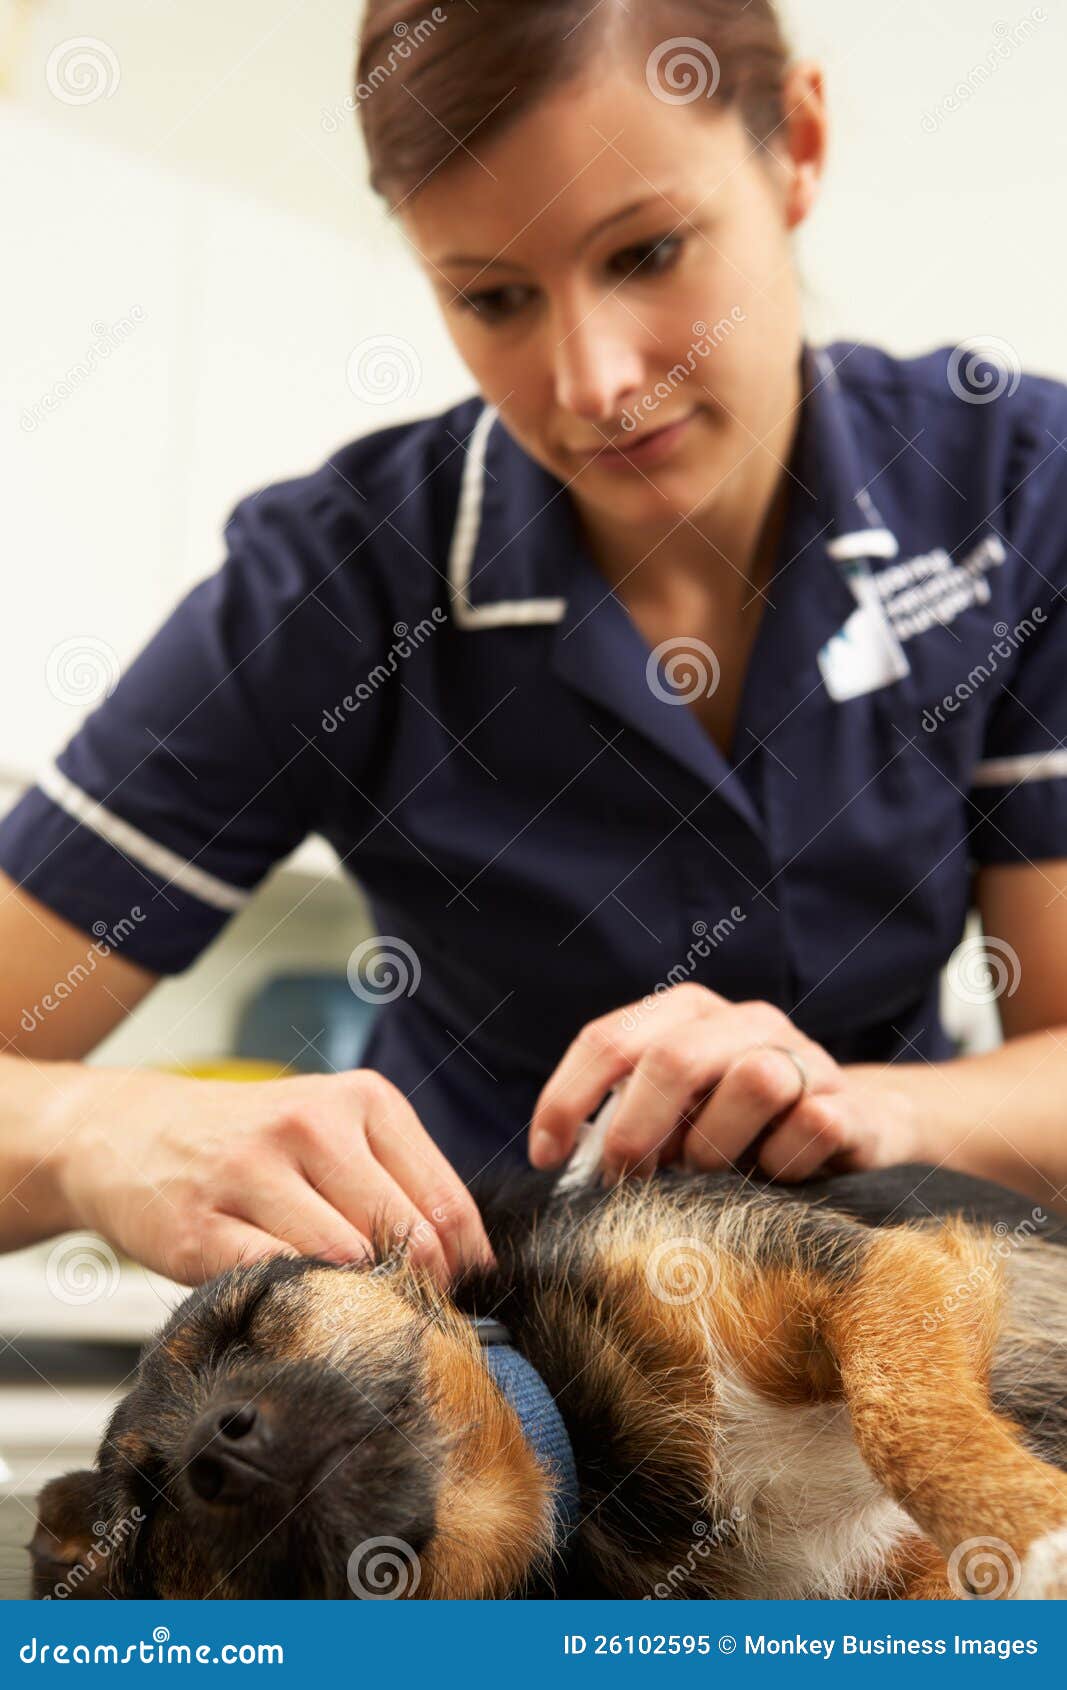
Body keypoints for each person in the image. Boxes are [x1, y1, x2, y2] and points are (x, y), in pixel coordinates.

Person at [3, 0, 1067, 1288]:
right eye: (494, 297)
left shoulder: (1012, 490)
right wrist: (91, 1130)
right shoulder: (338, 585)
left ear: (797, 145)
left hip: (896, 1319)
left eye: (648, 252)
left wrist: (865, 1111)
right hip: (478, 1342)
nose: (593, 383)